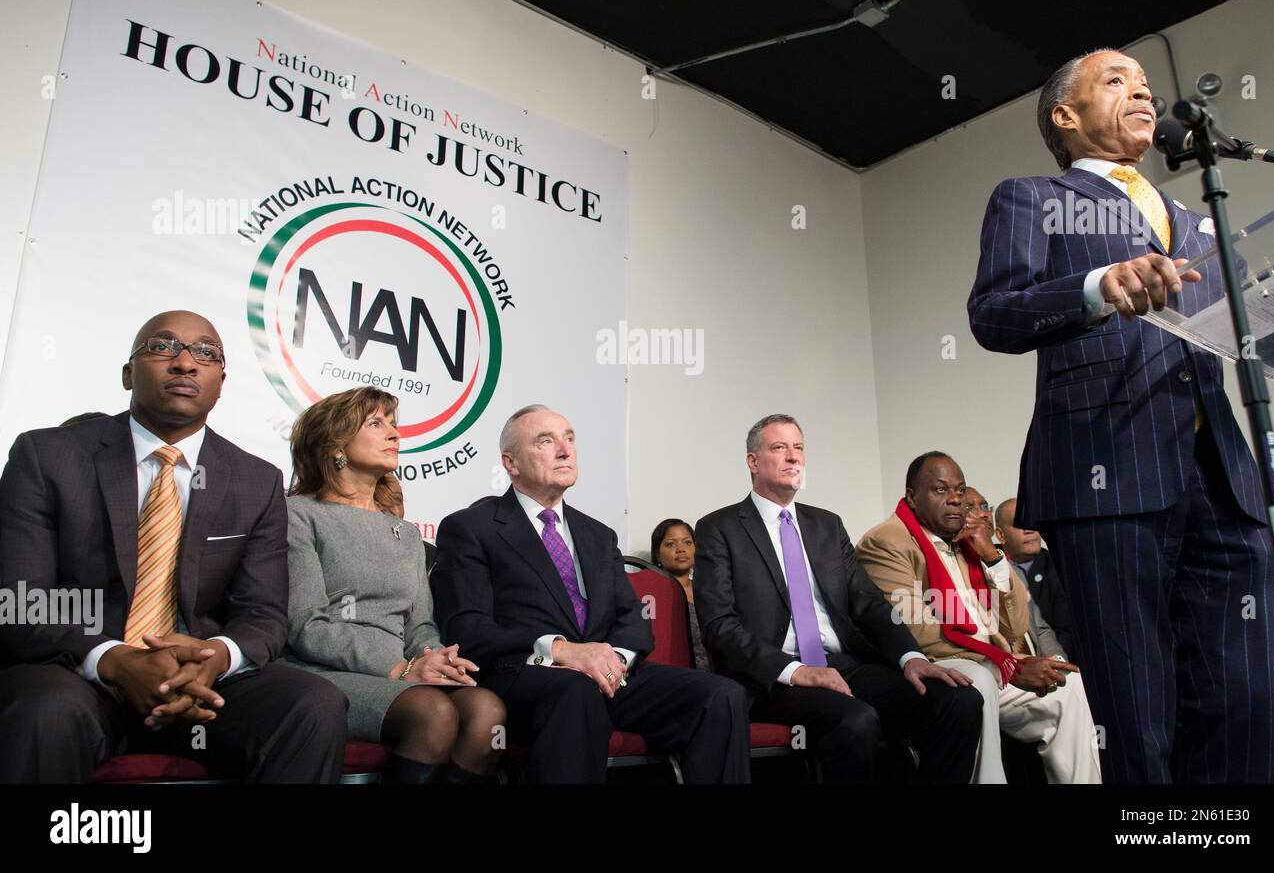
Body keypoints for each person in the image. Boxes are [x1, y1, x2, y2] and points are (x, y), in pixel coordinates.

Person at [967, 48, 1274, 783]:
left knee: (1246, 696)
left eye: (1145, 86)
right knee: (1136, 710)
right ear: (1065, 116)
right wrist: (1096, 286)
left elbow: (1245, 331)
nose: (1141, 93)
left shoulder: (1201, 223)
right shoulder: (1032, 196)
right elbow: (993, 315)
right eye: (1116, 82)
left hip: (1223, 481)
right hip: (1106, 472)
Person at [0, 310, 348, 782]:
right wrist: (117, 661)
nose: (186, 362)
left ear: (221, 381)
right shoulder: (48, 456)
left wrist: (217, 657)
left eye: (206, 353)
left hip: (199, 684)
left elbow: (263, 613)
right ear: (128, 373)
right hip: (79, 675)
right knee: (45, 709)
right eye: (163, 347)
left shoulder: (255, 480)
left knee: (312, 704)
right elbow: (23, 601)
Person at [433, 405, 750, 783]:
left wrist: (612, 659)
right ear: (511, 463)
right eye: (545, 441)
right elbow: (467, 629)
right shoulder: (472, 528)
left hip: (607, 677)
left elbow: (632, 619)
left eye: (569, 438)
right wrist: (562, 650)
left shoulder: (598, 535)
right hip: (524, 676)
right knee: (574, 689)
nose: (565, 450)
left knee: (720, 696)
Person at [694, 414, 983, 784]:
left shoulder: (826, 525)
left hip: (845, 666)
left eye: (798, 448)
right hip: (774, 679)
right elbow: (720, 627)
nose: (793, 457)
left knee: (959, 703)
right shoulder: (719, 528)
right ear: (753, 461)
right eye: (779, 448)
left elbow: (867, 602)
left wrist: (910, 657)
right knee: (855, 720)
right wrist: (796, 671)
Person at [280, 386, 505, 783]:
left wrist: (437, 659)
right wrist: (399, 667)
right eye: (376, 423)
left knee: (486, 711)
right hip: (322, 673)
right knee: (433, 713)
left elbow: (419, 625)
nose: (395, 434)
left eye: (394, 424)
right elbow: (306, 625)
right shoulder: (297, 515)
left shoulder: (405, 532)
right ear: (336, 444)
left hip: (406, 675)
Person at [856, 453, 1100, 784]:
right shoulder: (886, 541)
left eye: (960, 489)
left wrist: (992, 556)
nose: (955, 498)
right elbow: (914, 629)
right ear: (912, 497)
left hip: (990, 662)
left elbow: (1013, 625)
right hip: (936, 665)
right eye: (941, 490)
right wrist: (1008, 666)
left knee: (1067, 686)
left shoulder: (965, 542)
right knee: (978, 680)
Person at [994, 498, 1074, 658]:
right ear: (1001, 535)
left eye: (1032, 522)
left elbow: (1066, 632)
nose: (1029, 530)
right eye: (1020, 524)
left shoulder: (1061, 567)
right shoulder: (988, 565)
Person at [650, 518, 710, 670]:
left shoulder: (710, 590)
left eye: (687, 542)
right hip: (674, 678)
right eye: (671, 544)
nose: (681, 549)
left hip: (717, 675)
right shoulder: (650, 596)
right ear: (657, 554)